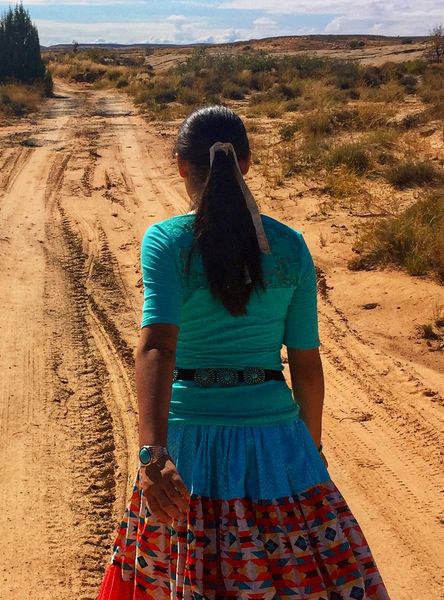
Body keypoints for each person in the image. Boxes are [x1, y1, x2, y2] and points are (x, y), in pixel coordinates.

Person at [96, 106, 389, 600]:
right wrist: (307, 453)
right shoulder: (290, 246)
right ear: (248, 163)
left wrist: (153, 455)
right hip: (276, 442)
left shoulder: (165, 242)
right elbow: (306, 365)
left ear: (181, 166)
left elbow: (157, 346)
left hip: (186, 450)